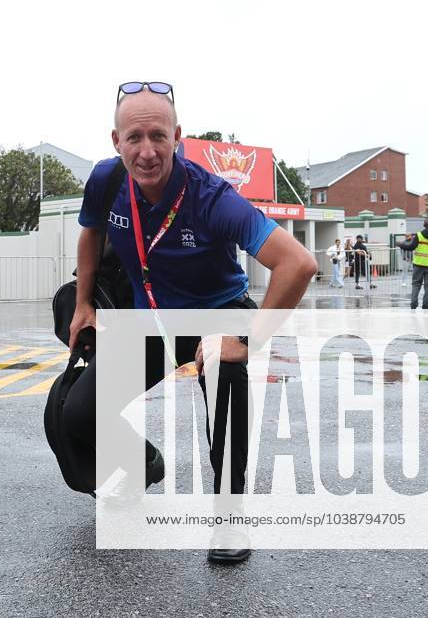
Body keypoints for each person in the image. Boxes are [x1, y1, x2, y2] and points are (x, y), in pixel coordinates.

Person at [66, 82, 316, 564]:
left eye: (158, 136)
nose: (147, 151)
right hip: (151, 319)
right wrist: (83, 304)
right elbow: (90, 233)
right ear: (116, 141)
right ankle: (143, 464)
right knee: (79, 414)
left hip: (216, 313)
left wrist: (246, 341)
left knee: (226, 374)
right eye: (134, 137)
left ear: (177, 137)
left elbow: (298, 264)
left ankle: (229, 515)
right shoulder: (106, 180)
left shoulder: (212, 197)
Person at [396, 219, 428, 309]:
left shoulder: (419, 235)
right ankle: (425, 305)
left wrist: (400, 245)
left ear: (424, 225)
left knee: (416, 284)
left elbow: (411, 247)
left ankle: (413, 304)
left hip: (418, 264)